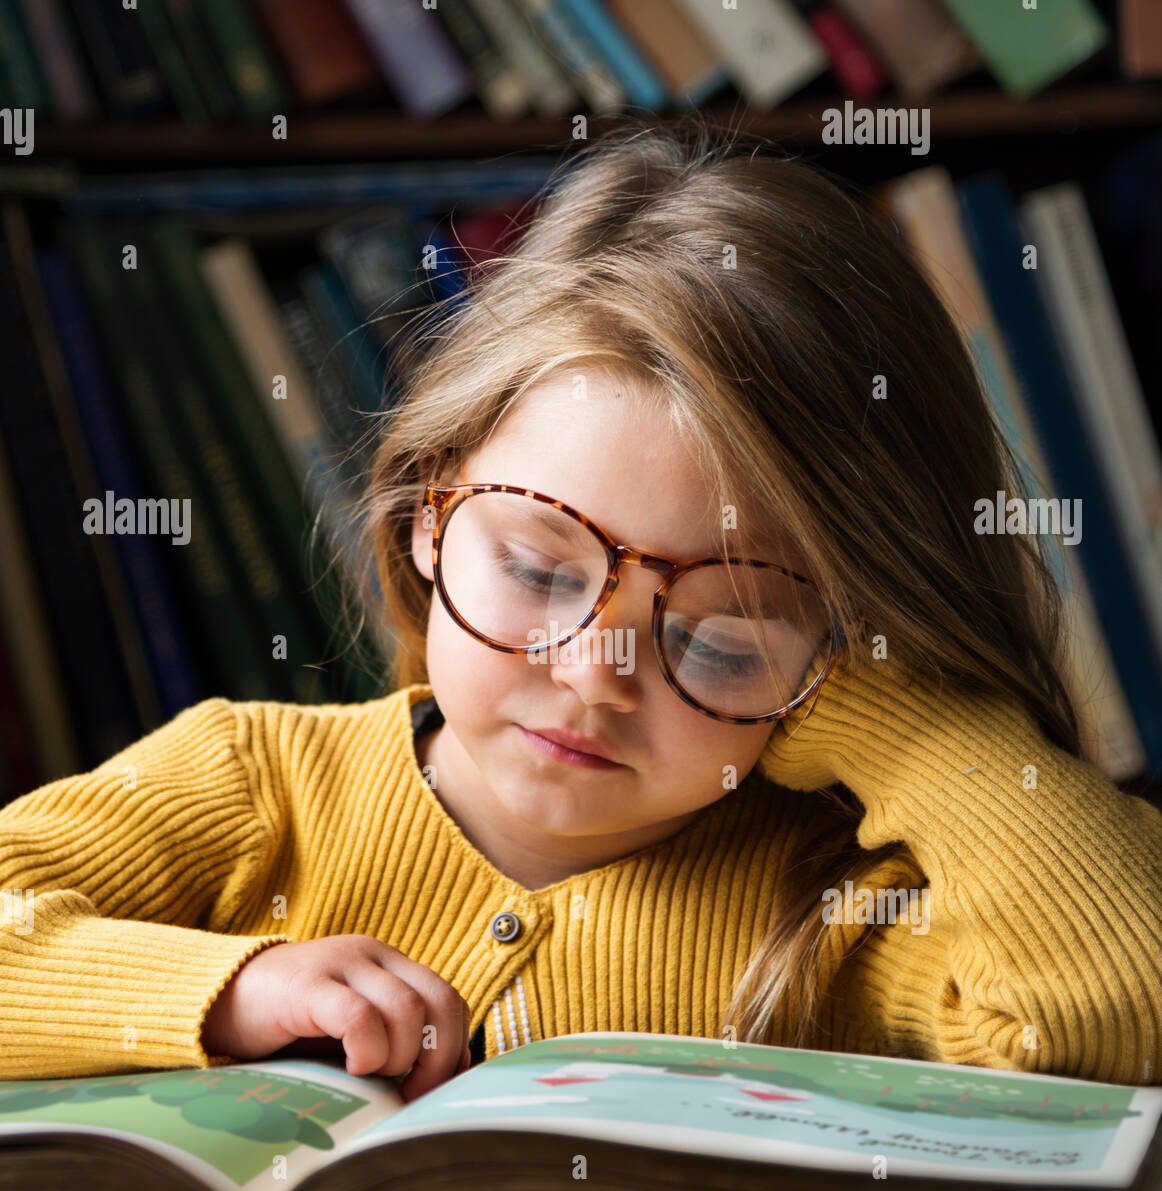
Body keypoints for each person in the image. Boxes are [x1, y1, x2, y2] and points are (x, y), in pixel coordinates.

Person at [2, 117, 1160, 1095]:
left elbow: (1099, 1027)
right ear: (430, 510)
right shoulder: (253, 779)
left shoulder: (841, 911)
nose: (593, 669)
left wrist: (903, 716)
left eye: (719, 632)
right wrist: (228, 991)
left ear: (843, 655)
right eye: (542, 569)